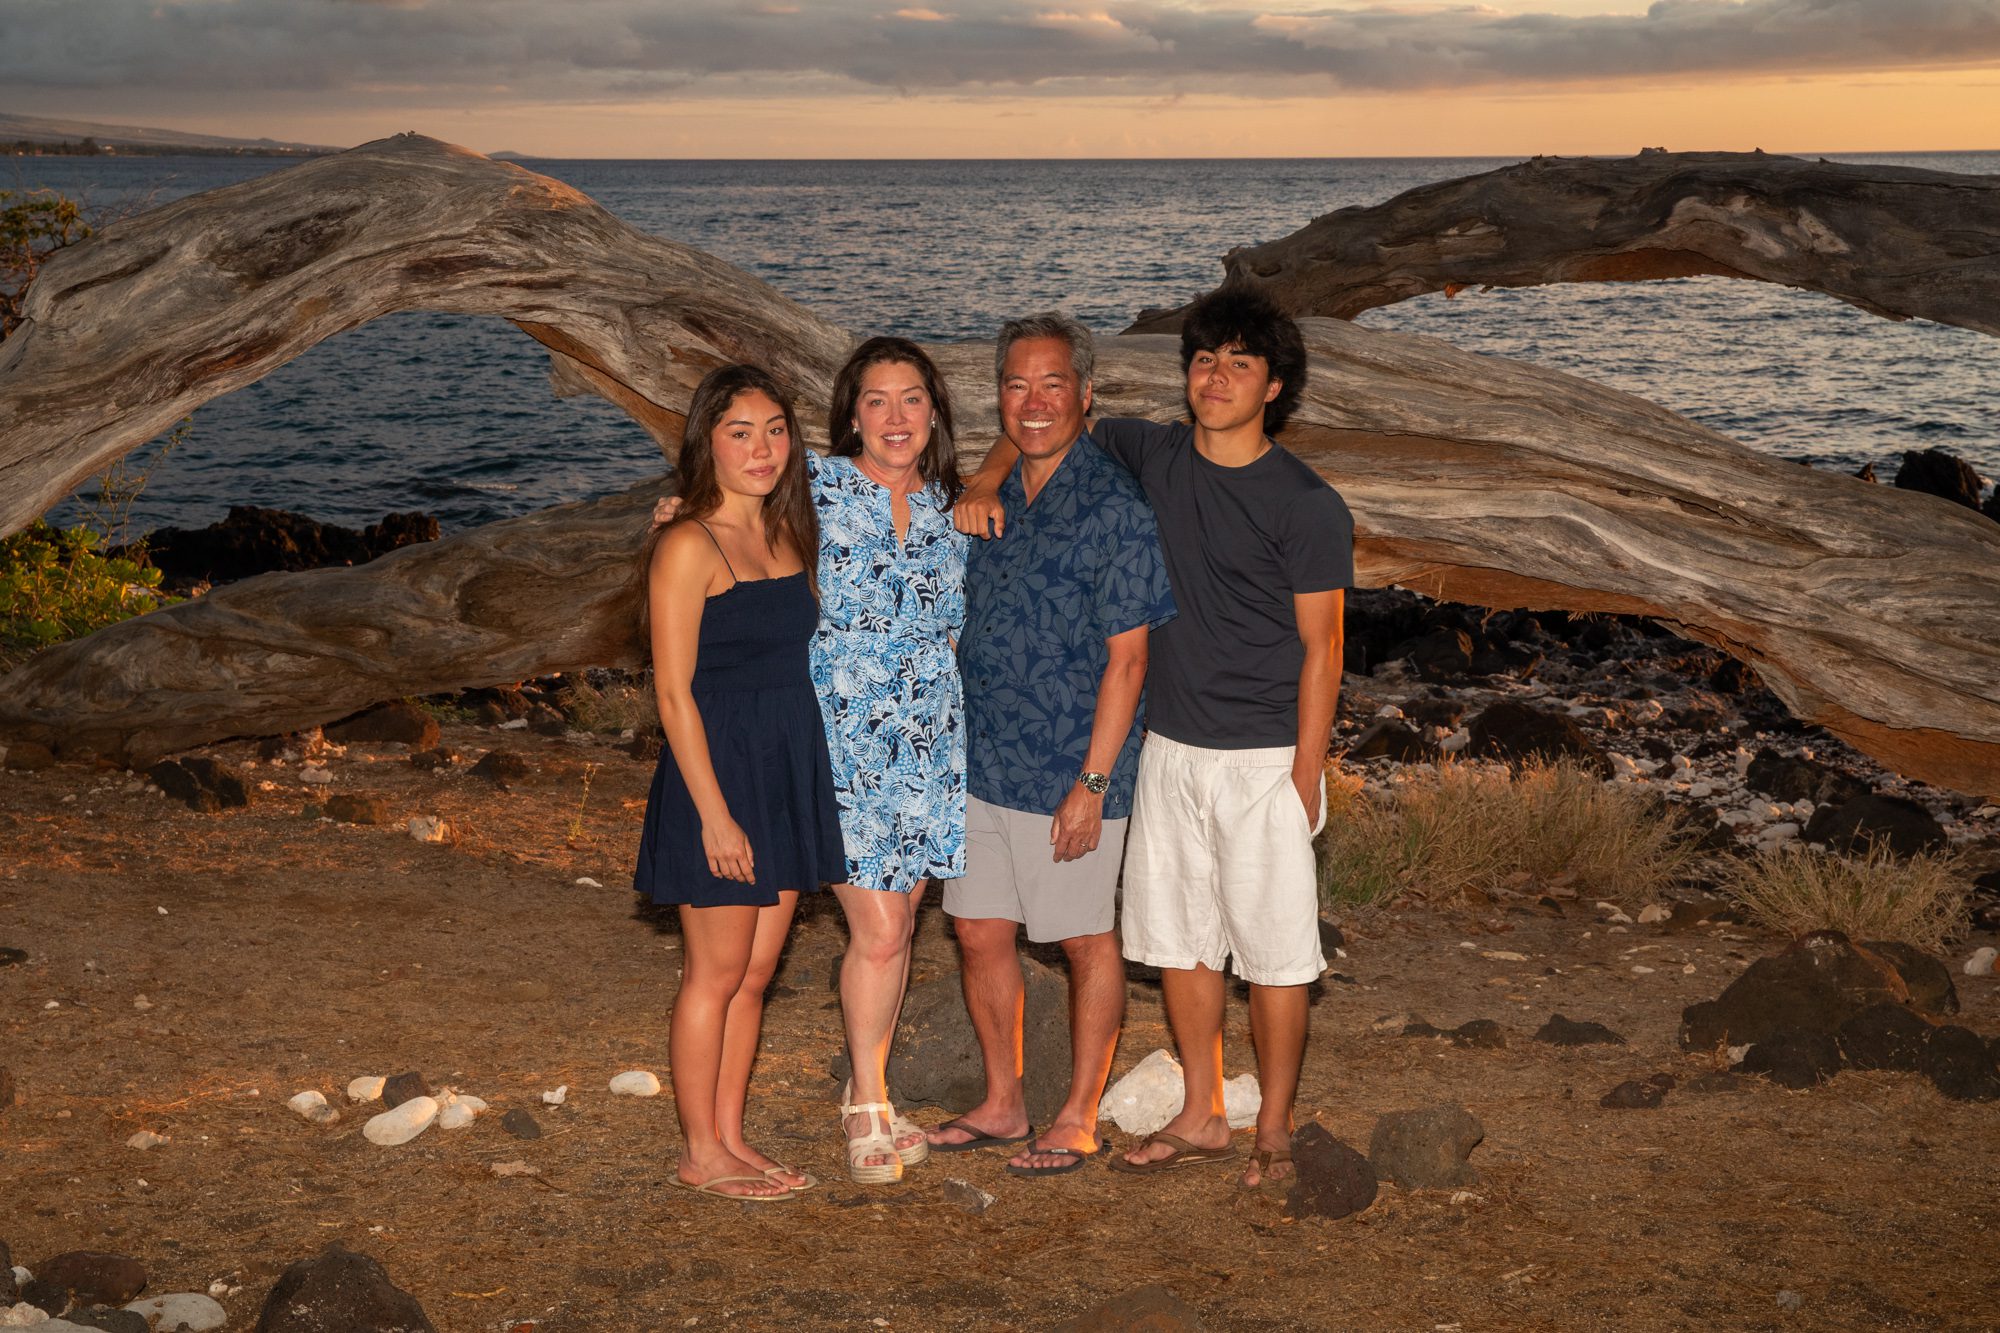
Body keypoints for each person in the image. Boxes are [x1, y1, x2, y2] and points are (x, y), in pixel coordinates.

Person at [955, 286, 1354, 1189]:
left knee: (1276, 954)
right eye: (1205, 360)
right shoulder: (1157, 451)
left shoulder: (1307, 504)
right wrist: (981, 481)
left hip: (1261, 758)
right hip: (1170, 746)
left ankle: (1277, 1126)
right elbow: (1040, 420)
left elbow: (1324, 649)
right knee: (1181, 943)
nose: (1216, 377)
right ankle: (1205, 1109)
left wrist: (1303, 776)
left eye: (1240, 364)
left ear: (1274, 386)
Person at [927, 313, 1175, 1177]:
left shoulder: (1114, 509)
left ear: (1086, 394)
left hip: (1069, 767)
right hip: (983, 759)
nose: (1034, 403)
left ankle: (1075, 1114)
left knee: (1082, 941)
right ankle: (1003, 1101)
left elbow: (1130, 659)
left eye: (1053, 385)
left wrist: (1094, 785)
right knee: (980, 931)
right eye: (1017, 385)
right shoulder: (992, 498)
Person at [635, 363, 846, 1202]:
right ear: (705, 443)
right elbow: (672, 692)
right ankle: (699, 1151)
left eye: (774, 430)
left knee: (756, 974)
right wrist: (715, 818)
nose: (761, 448)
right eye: (738, 432)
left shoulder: (790, 530)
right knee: (713, 974)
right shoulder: (689, 543)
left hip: (783, 763)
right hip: (715, 776)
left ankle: (729, 1134)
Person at [811, 336, 970, 1184]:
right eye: (877, 400)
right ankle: (868, 1105)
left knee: (901, 923)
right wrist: (673, 519)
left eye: (912, 399)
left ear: (934, 412)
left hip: (931, 739)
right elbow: (726, 519)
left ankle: (868, 1089)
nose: (896, 416)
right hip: (840, 734)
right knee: (876, 926)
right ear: (852, 414)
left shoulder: (956, 505)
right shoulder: (813, 487)